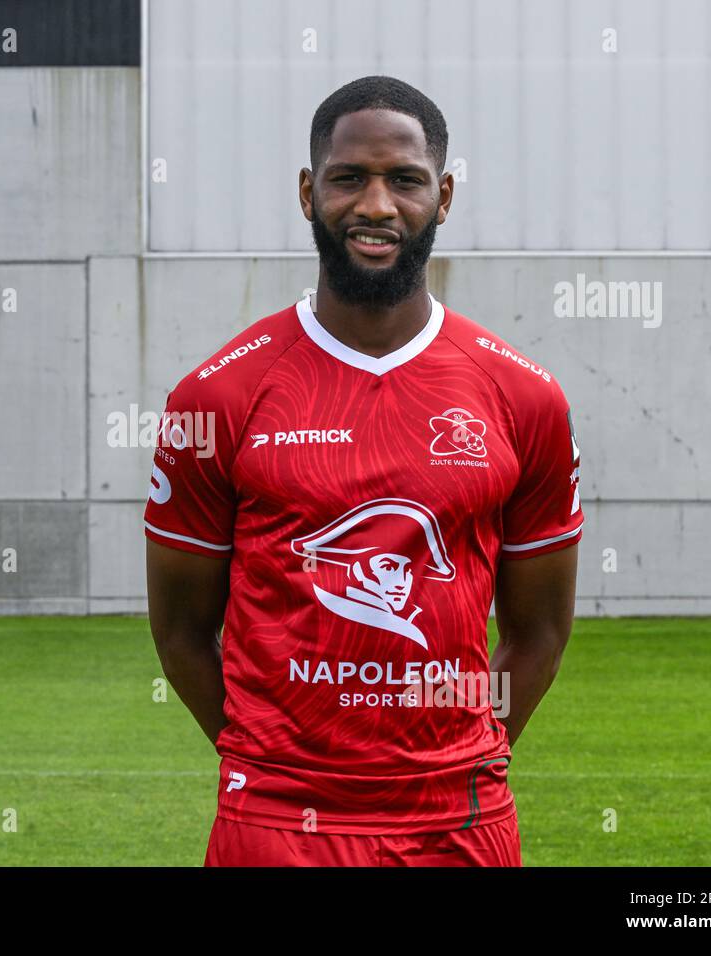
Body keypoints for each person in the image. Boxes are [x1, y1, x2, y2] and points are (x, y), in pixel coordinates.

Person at [143, 75, 582, 867]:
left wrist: (465, 754)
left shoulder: (523, 396)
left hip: (461, 819)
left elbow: (540, 629)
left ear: (442, 196)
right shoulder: (218, 395)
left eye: (405, 180)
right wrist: (267, 760)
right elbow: (179, 632)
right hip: (274, 821)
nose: (376, 205)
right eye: (350, 179)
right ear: (310, 192)